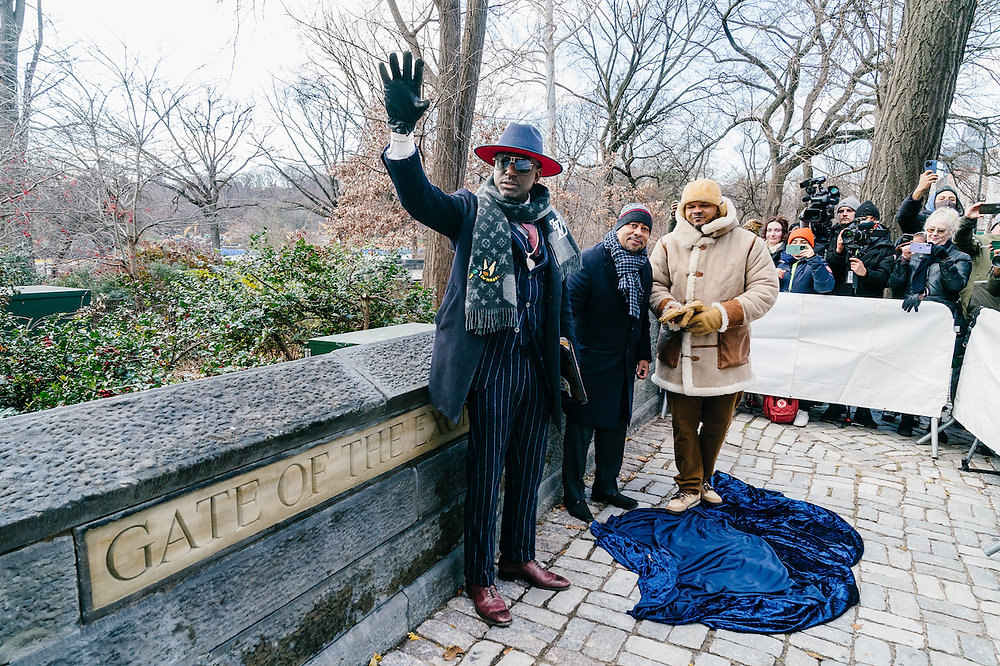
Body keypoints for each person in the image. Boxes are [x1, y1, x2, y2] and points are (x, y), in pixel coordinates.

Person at [379, 52, 578, 626]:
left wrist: (564, 351)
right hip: (489, 365)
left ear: (538, 173)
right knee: (488, 469)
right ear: (493, 166)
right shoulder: (471, 210)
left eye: (523, 163)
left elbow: (561, 294)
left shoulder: (550, 224)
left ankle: (518, 556)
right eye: (504, 161)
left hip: (536, 365)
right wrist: (402, 134)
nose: (511, 169)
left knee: (528, 462)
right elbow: (421, 200)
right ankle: (482, 577)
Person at [649, 178, 778, 513]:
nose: (696, 212)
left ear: (718, 207)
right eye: (690, 206)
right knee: (683, 425)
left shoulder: (749, 244)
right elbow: (653, 284)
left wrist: (721, 314)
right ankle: (689, 486)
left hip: (727, 355)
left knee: (718, 424)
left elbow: (765, 290)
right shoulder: (668, 243)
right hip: (680, 353)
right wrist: (669, 309)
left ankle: (704, 480)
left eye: (702, 205)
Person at [562, 203, 653, 523]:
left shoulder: (643, 266)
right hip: (588, 360)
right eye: (633, 226)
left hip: (623, 362)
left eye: (645, 229)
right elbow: (568, 312)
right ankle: (573, 492)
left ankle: (606, 486)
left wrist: (644, 354)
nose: (638, 233)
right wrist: (569, 358)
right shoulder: (590, 260)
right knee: (580, 429)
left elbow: (640, 315)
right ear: (619, 227)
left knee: (615, 426)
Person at [888, 207, 972, 437]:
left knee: (937, 373)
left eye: (940, 231)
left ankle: (933, 420)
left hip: (941, 320)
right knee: (910, 368)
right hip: (913, 316)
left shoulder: (960, 257)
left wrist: (944, 258)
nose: (934, 234)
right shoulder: (917, 251)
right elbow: (895, 284)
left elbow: (955, 286)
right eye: (931, 230)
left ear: (951, 233)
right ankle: (907, 417)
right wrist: (903, 261)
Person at [821, 200, 896, 427]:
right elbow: (832, 268)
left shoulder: (885, 245)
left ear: (877, 221)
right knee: (840, 355)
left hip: (868, 304)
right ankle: (836, 404)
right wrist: (839, 249)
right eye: (861, 220)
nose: (865, 225)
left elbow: (885, 277)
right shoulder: (848, 237)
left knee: (865, 357)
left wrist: (865, 273)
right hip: (844, 302)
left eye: (869, 220)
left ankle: (863, 409)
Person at [776, 227, 835, 295]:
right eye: (794, 243)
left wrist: (813, 258)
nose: (798, 245)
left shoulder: (819, 262)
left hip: (807, 304)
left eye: (803, 242)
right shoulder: (782, 265)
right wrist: (772, 277)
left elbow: (825, 287)